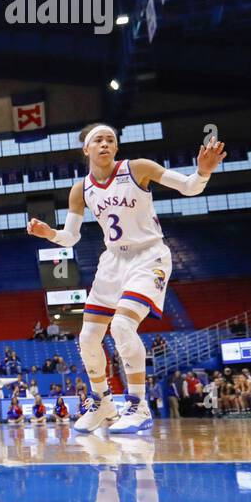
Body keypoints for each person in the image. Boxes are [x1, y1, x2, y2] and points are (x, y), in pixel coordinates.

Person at [27, 123, 226, 434]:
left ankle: (137, 405)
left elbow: (189, 187)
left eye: (110, 140)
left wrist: (202, 172)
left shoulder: (138, 168)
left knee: (121, 326)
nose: (105, 144)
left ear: (116, 148)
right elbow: (71, 237)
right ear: (87, 149)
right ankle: (102, 402)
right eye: (98, 140)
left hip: (149, 257)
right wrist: (49, 233)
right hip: (113, 262)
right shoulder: (81, 189)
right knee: (88, 338)